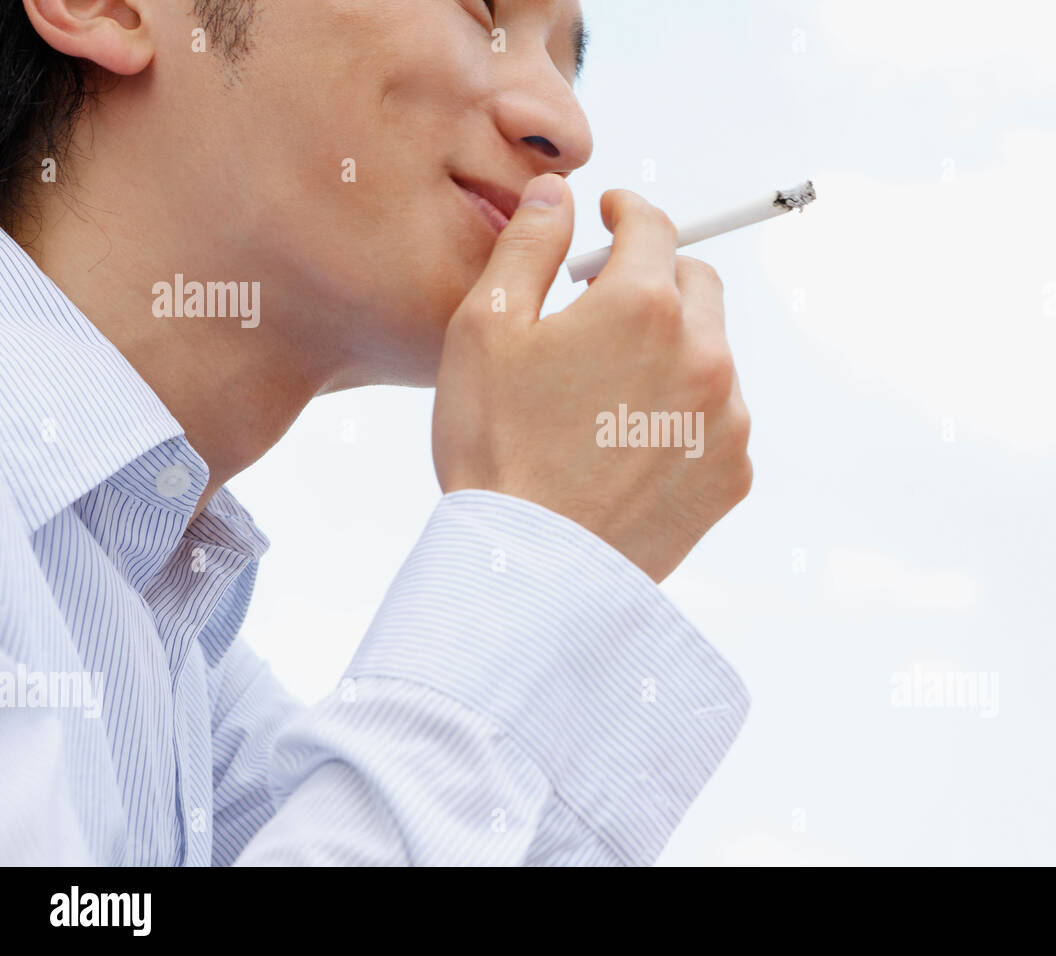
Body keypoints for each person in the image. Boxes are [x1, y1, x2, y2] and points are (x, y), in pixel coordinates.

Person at [0, 0, 753, 865]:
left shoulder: (178, 670)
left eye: (565, 61)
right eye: (481, 9)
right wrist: (538, 548)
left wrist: (568, 569)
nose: (568, 127)